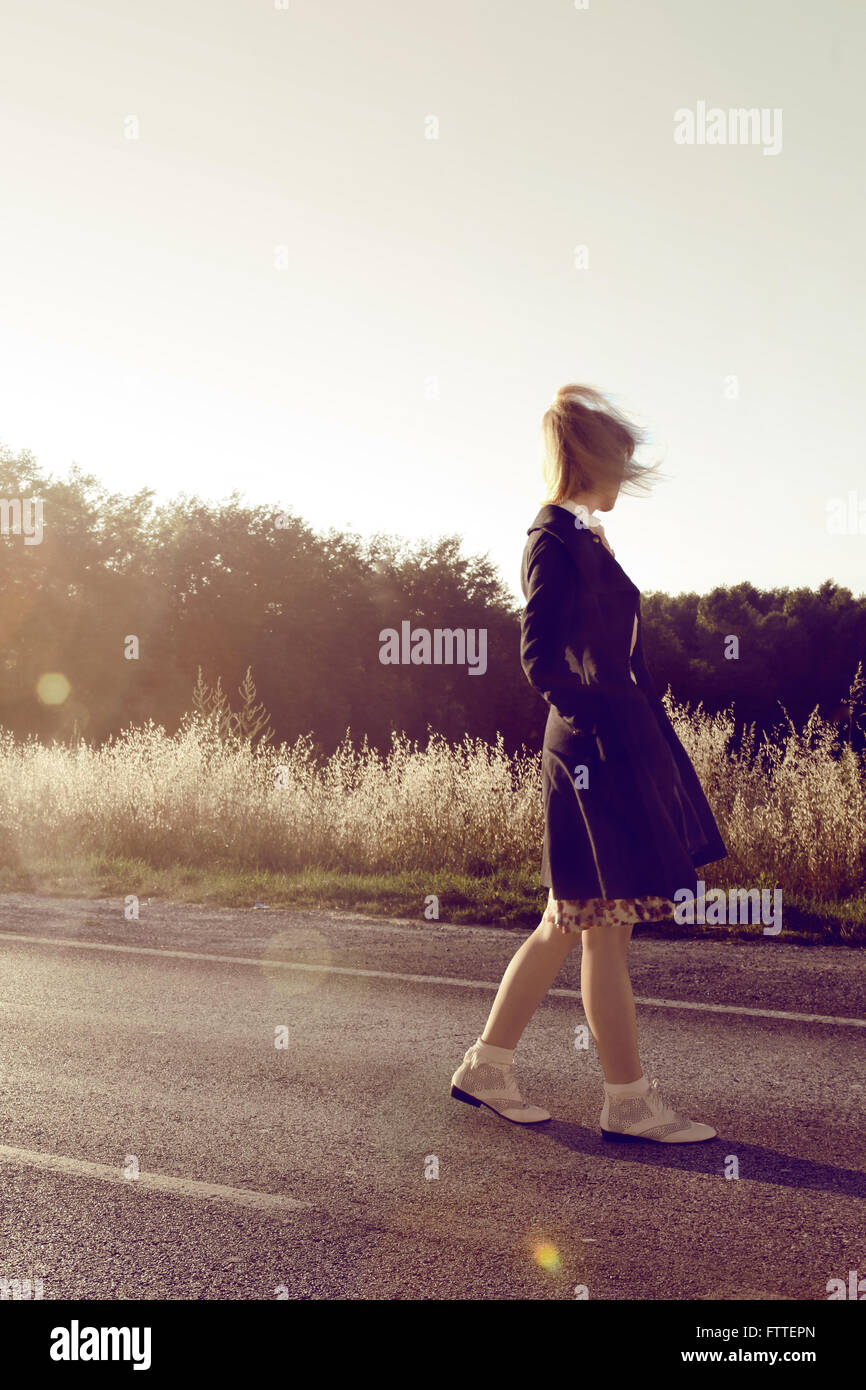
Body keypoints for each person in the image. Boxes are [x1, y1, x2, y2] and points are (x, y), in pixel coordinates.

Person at [450, 384, 728, 1143]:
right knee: (603, 924)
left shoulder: (582, 535)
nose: (624, 484)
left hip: (604, 744)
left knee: (568, 920)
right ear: (594, 463)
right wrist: (604, 731)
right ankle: (629, 1104)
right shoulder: (553, 539)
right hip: (591, 755)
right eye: (619, 468)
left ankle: (488, 1066)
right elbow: (541, 660)